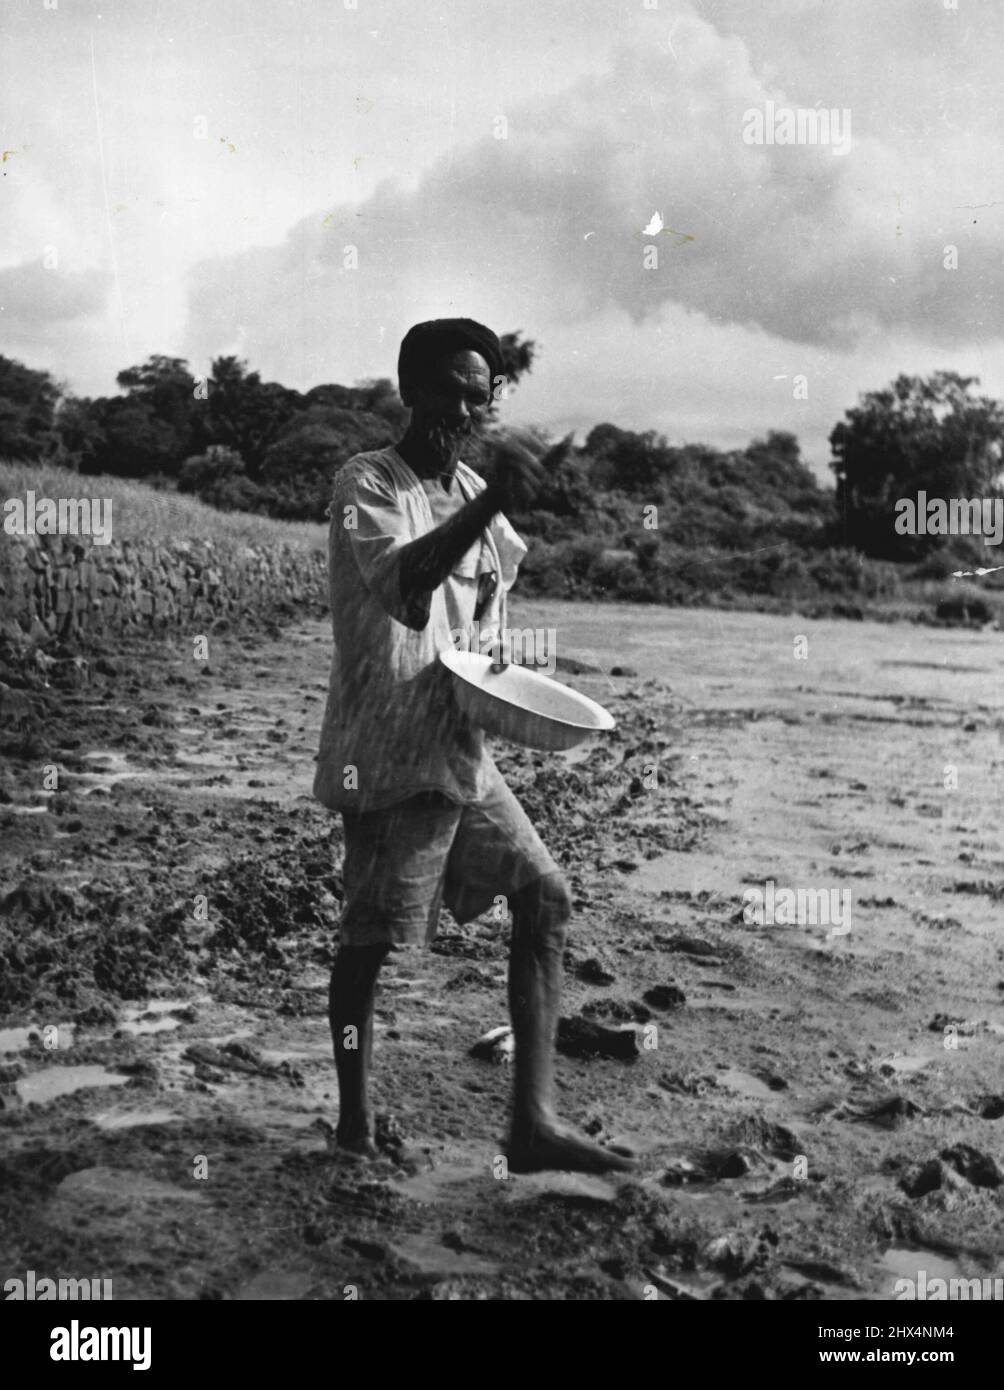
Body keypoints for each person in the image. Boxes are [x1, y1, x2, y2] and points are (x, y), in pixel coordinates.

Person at [313, 317, 634, 1173]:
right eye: (451, 390)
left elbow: (479, 634)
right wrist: (494, 499)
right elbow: (407, 586)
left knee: (547, 897)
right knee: (369, 947)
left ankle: (532, 1124)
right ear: (410, 389)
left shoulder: (474, 496)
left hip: (458, 750)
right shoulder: (365, 483)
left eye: (480, 394)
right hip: (386, 753)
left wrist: (514, 692)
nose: (465, 408)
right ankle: (354, 1123)